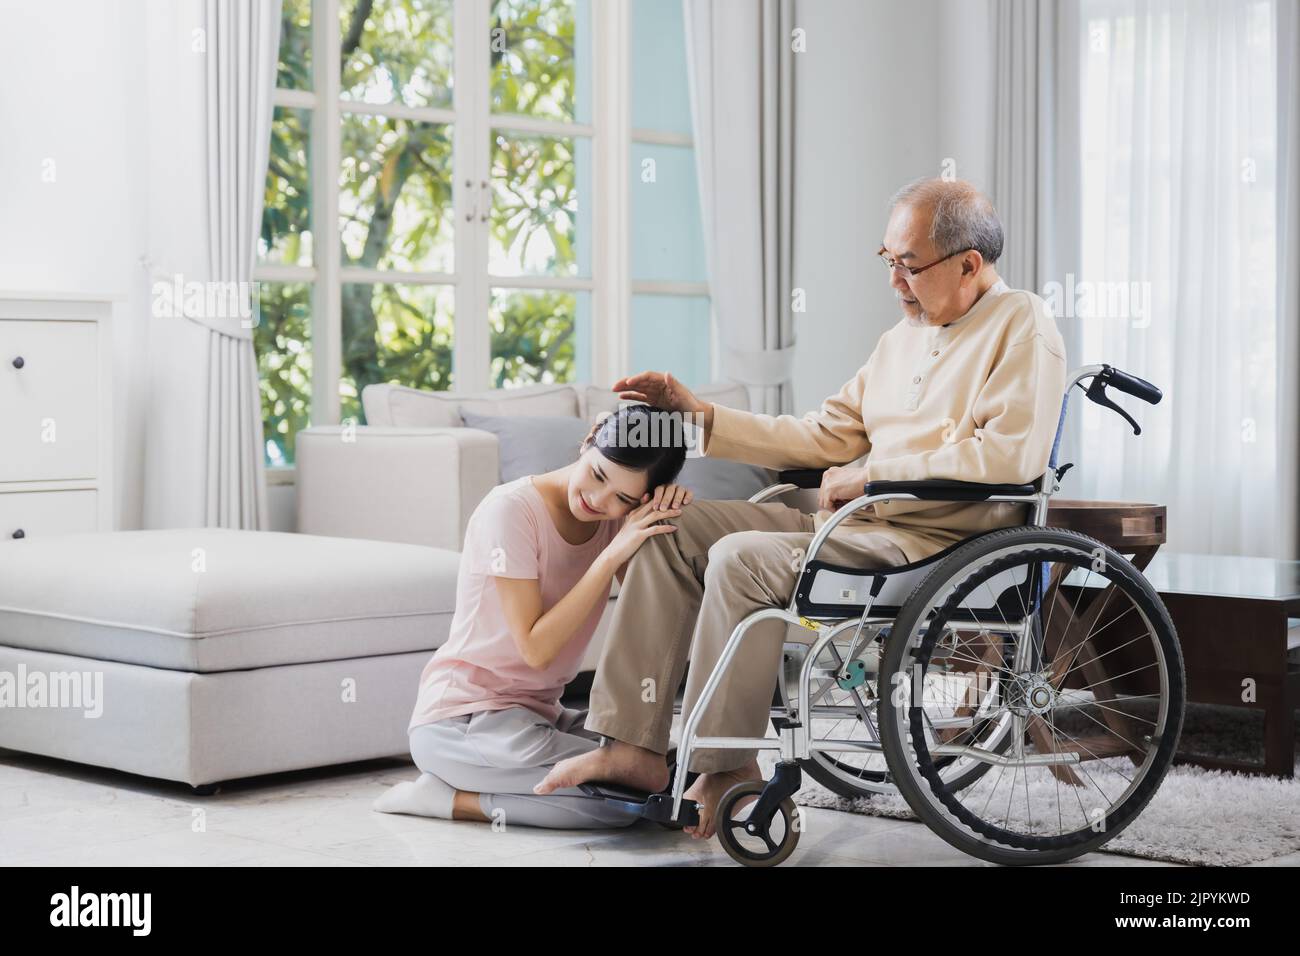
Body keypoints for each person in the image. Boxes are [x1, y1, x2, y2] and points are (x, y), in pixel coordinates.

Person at [535, 177, 1068, 841]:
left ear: (968, 265)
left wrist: (876, 474)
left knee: (740, 559)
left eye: (910, 265)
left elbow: (1009, 458)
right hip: (853, 526)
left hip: (933, 545)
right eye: (888, 260)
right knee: (664, 529)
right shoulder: (900, 339)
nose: (895, 280)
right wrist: (697, 413)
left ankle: (726, 764)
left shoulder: (1023, 325)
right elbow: (821, 436)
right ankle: (634, 747)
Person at [374, 404, 694, 829]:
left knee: (675, 775)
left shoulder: (615, 521)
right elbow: (535, 648)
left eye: (624, 498)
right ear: (590, 437)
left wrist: (666, 517)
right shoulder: (509, 511)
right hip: (462, 722)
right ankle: (450, 798)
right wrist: (612, 554)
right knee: (615, 807)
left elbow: (651, 609)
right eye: (598, 474)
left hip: (540, 714)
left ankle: (512, 782)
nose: (598, 500)